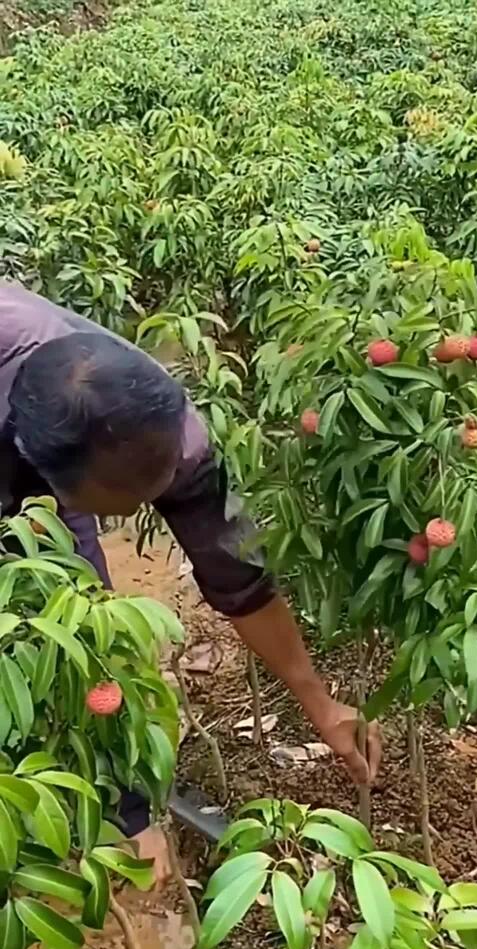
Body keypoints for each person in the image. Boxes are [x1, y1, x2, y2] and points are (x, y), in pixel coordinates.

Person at [0, 281, 381, 885]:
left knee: (88, 628)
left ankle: (121, 806)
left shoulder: (166, 429)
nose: (125, 521)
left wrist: (320, 701)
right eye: (115, 507)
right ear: (47, 477)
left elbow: (237, 575)